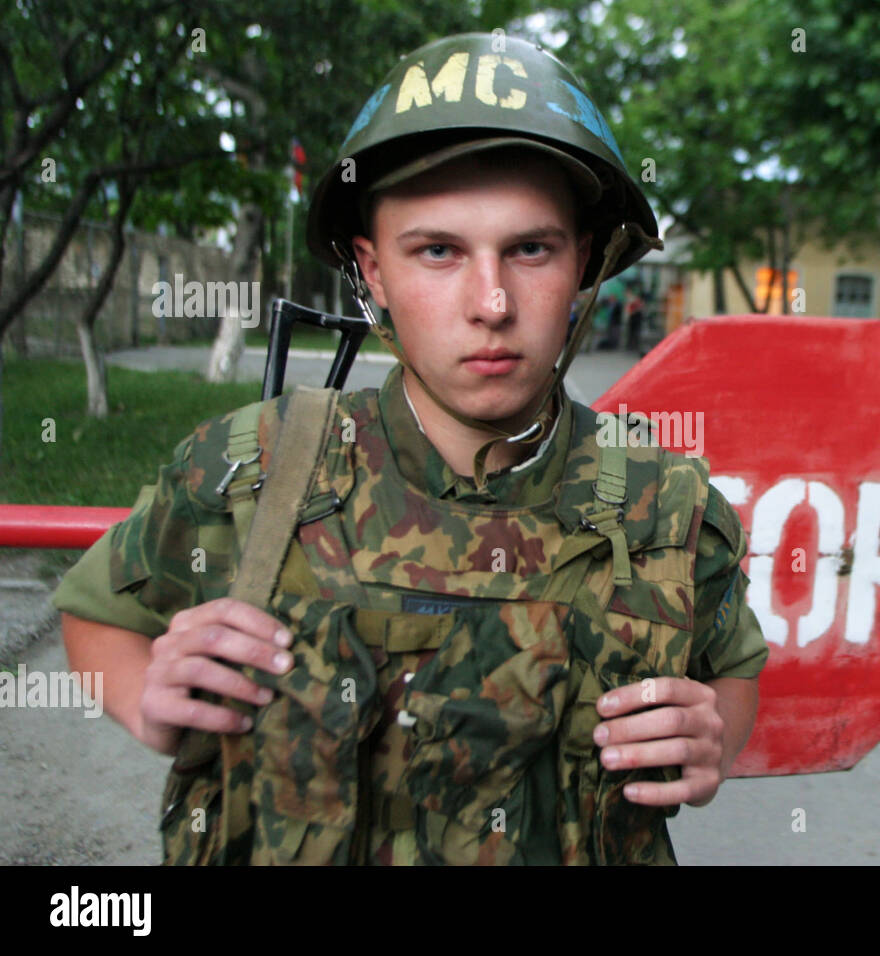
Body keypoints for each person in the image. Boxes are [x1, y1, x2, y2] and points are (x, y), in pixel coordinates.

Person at [52, 32, 767, 866]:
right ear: (374, 271)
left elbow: (732, 668)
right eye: (438, 251)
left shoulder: (662, 503)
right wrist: (146, 696)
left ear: (583, 265)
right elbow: (97, 613)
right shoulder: (256, 466)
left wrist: (711, 742)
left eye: (530, 249)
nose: (491, 303)